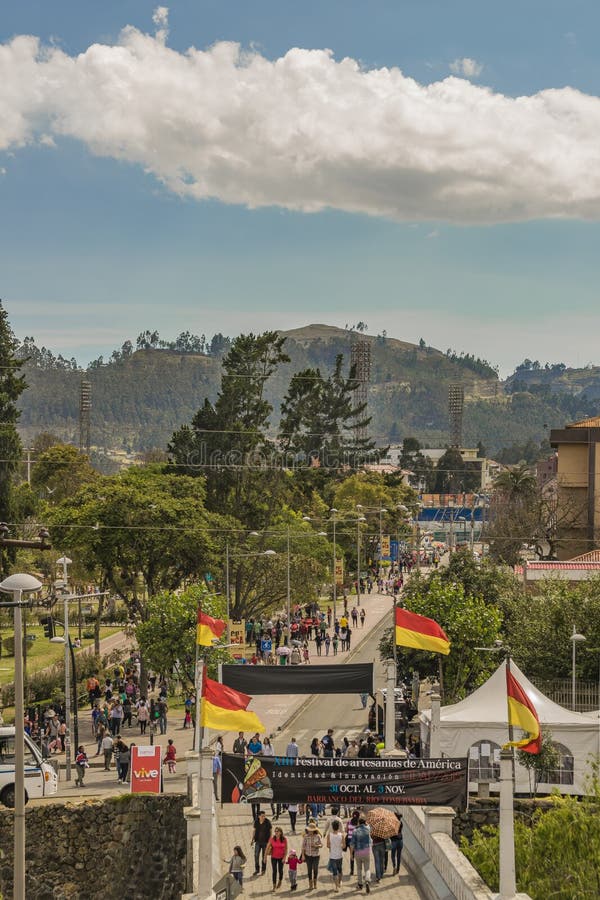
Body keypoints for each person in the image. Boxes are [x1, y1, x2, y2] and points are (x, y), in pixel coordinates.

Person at [350, 816, 372, 893]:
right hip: (366, 851)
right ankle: (367, 880)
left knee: (359, 869)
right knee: (367, 868)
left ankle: (360, 884)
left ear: (359, 822)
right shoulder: (368, 829)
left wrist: (351, 854)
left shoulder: (355, 831)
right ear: (365, 822)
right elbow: (368, 825)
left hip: (358, 852)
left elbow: (352, 844)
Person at [300, 819, 322, 891]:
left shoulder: (318, 836)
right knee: (309, 870)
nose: (310, 831)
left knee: (315, 869)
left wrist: (316, 846)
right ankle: (310, 883)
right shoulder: (306, 837)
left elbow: (321, 845)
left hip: (316, 855)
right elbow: (303, 846)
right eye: (309, 830)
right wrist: (303, 855)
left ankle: (315, 881)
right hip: (308, 855)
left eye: (311, 830)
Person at [251, 810, 272, 875]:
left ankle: (263, 869)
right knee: (256, 855)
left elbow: (270, 831)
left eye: (264, 816)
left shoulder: (267, 822)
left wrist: (270, 841)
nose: (263, 817)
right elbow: (254, 830)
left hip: (265, 842)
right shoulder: (256, 822)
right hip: (257, 841)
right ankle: (257, 869)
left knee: (264, 856)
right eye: (262, 816)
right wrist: (252, 839)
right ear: (259, 816)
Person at [326, 820, 345, 892]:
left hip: (332, 855)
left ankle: (336, 886)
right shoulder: (341, 835)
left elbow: (328, 845)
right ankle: (340, 882)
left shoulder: (329, 835)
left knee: (334, 872)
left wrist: (332, 845)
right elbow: (344, 846)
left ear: (332, 827)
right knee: (340, 869)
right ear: (338, 827)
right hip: (340, 855)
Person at [267, 826, 288, 890]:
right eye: (275, 831)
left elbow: (286, 849)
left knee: (280, 870)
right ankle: (274, 885)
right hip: (273, 857)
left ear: (280, 832)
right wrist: (265, 857)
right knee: (274, 871)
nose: (276, 832)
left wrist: (284, 857)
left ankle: (280, 880)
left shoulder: (284, 839)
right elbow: (267, 847)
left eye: (277, 831)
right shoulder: (272, 839)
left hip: (281, 857)